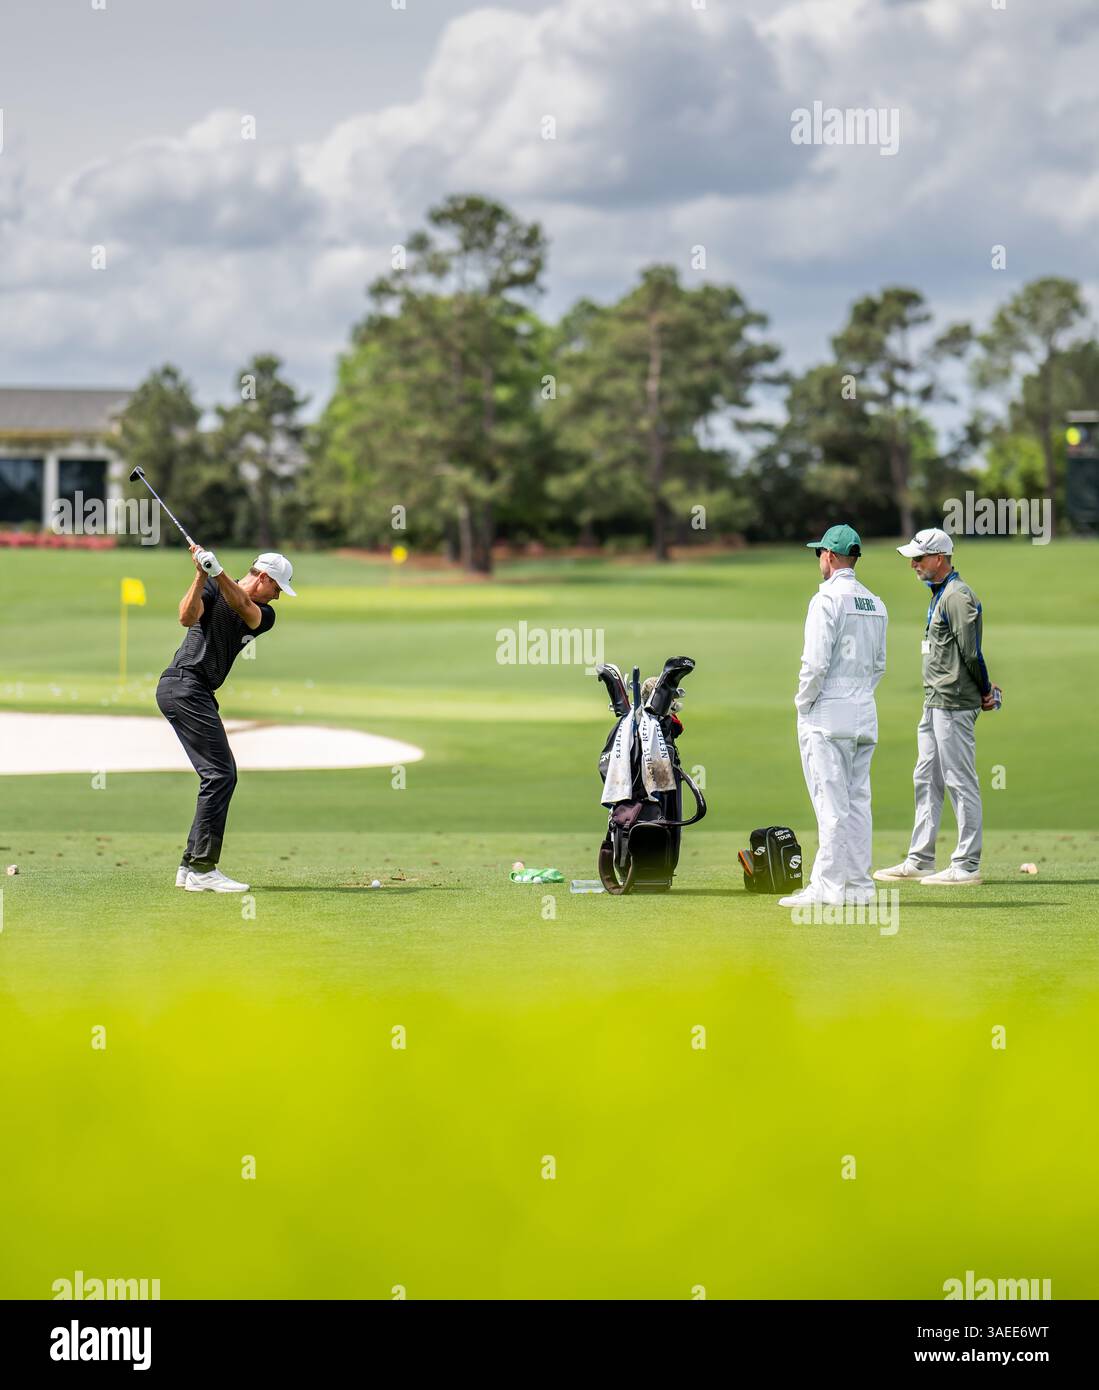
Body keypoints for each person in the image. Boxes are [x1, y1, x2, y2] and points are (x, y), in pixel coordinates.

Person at [156, 546, 296, 893]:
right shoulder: (213, 586)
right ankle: (203, 869)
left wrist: (216, 571)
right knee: (220, 774)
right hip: (184, 685)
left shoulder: (264, 614)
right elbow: (186, 617)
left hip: (195, 691)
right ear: (264, 577)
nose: (279, 595)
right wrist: (202, 574)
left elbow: (243, 607)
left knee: (218, 775)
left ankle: (189, 867)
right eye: (278, 587)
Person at [875, 528, 999, 887]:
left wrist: (985, 690)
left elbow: (971, 653)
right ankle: (920, 859)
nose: (913, 564)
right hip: (934, 703)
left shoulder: (958, 597)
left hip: (954, 704)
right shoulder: (940, 594)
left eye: (920, 557)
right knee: (926, 779)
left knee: (960, 781)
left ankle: (966, 864)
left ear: (940, 558)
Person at [784, 524, 888, 909]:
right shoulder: (875, 602)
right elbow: (879, 666)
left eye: (820, 555)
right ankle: (859, 886)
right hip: (864, 711)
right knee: (858, 801)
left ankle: (827, 887)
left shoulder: (825, 600)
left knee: (830, 803)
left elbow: (814, 663)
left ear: (829, 556)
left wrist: (803, 702)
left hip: (827, 713)